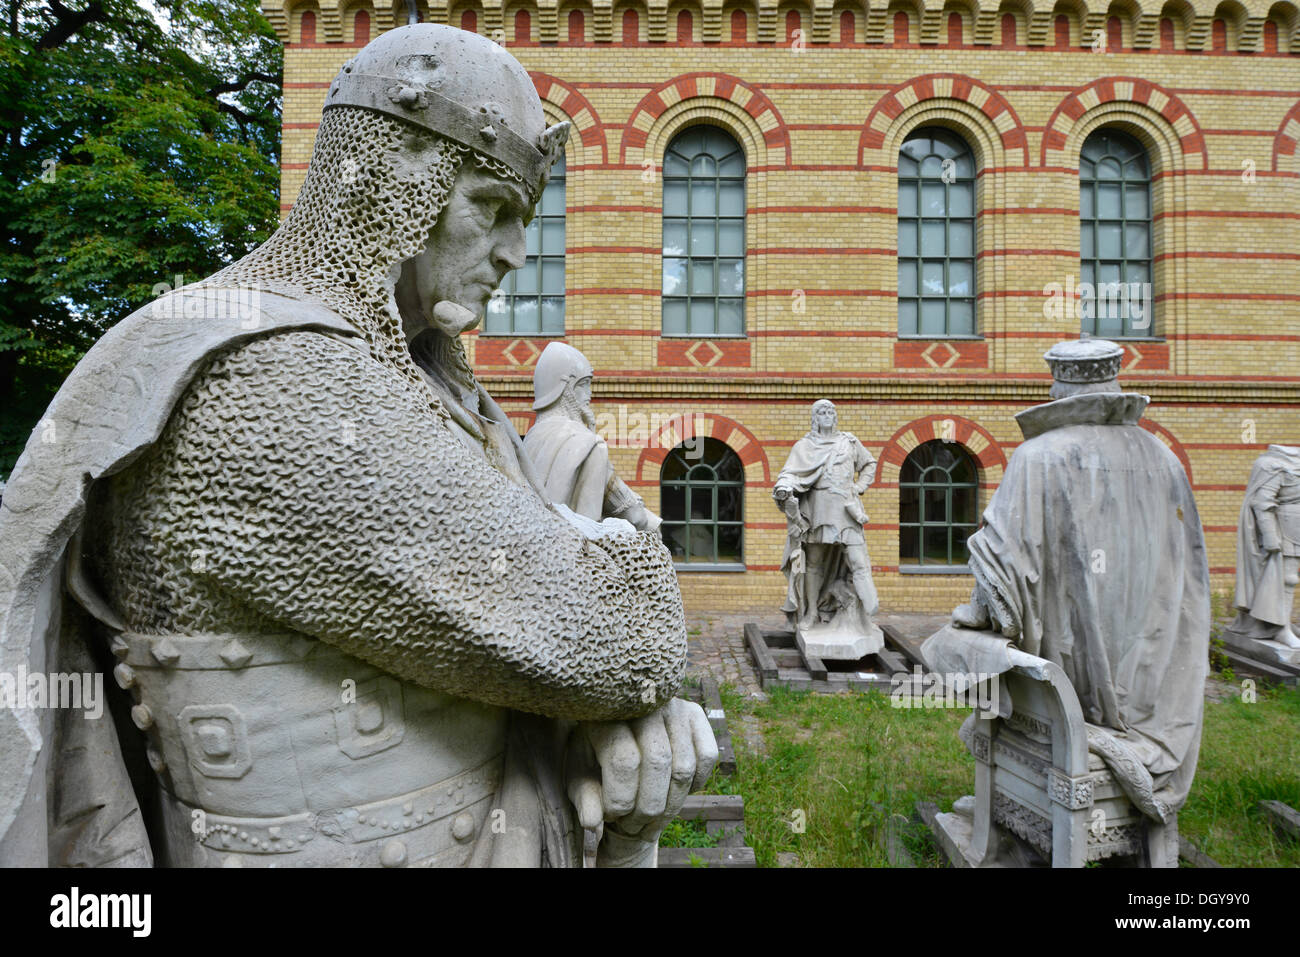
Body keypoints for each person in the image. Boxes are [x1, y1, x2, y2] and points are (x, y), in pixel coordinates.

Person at [0, 23, 714, 868]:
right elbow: (625, 636)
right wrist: (627, 636)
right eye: (492, 207)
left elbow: (581, 628)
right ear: (396, 178)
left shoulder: (421, 381)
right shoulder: (272, 381)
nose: (517, 253)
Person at [940, 337, 1210, 830]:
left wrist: (976, 614)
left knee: (984, 664)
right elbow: (1188, 574)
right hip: (1149, 681)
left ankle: (1000, 802)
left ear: (1058, 385)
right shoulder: (1164, 457)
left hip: (1070, 672)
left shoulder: (1039, 456)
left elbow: (1001, 563)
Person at [772, 399, 881, 658]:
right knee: (815, 563)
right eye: (821, 411)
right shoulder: (805, 446)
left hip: (846, 510)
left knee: (856, 559)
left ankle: (866, 610)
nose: (827, 415)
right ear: (814, 417)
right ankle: (810, 612)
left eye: (831, 411)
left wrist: (859, 487)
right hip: (818, 509)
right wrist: (784, 487)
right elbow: (789, 473)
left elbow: (869, 465)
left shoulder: (849, 442)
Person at [522, 342, 660, 532]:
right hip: (573, 553)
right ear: (566, 388)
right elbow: (635, 517)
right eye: (584, 384)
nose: (590, 394)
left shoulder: (530, 438)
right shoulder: (587, 444)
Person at [1225, 445, 1300, 651]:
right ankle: (1279, 628)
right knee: (1285, 579)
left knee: (1289, 579)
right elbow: (1262, 501)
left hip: (1295, 528)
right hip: (1281, 529)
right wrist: (1269, 534)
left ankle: (1282, 624)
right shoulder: (1272, 465)